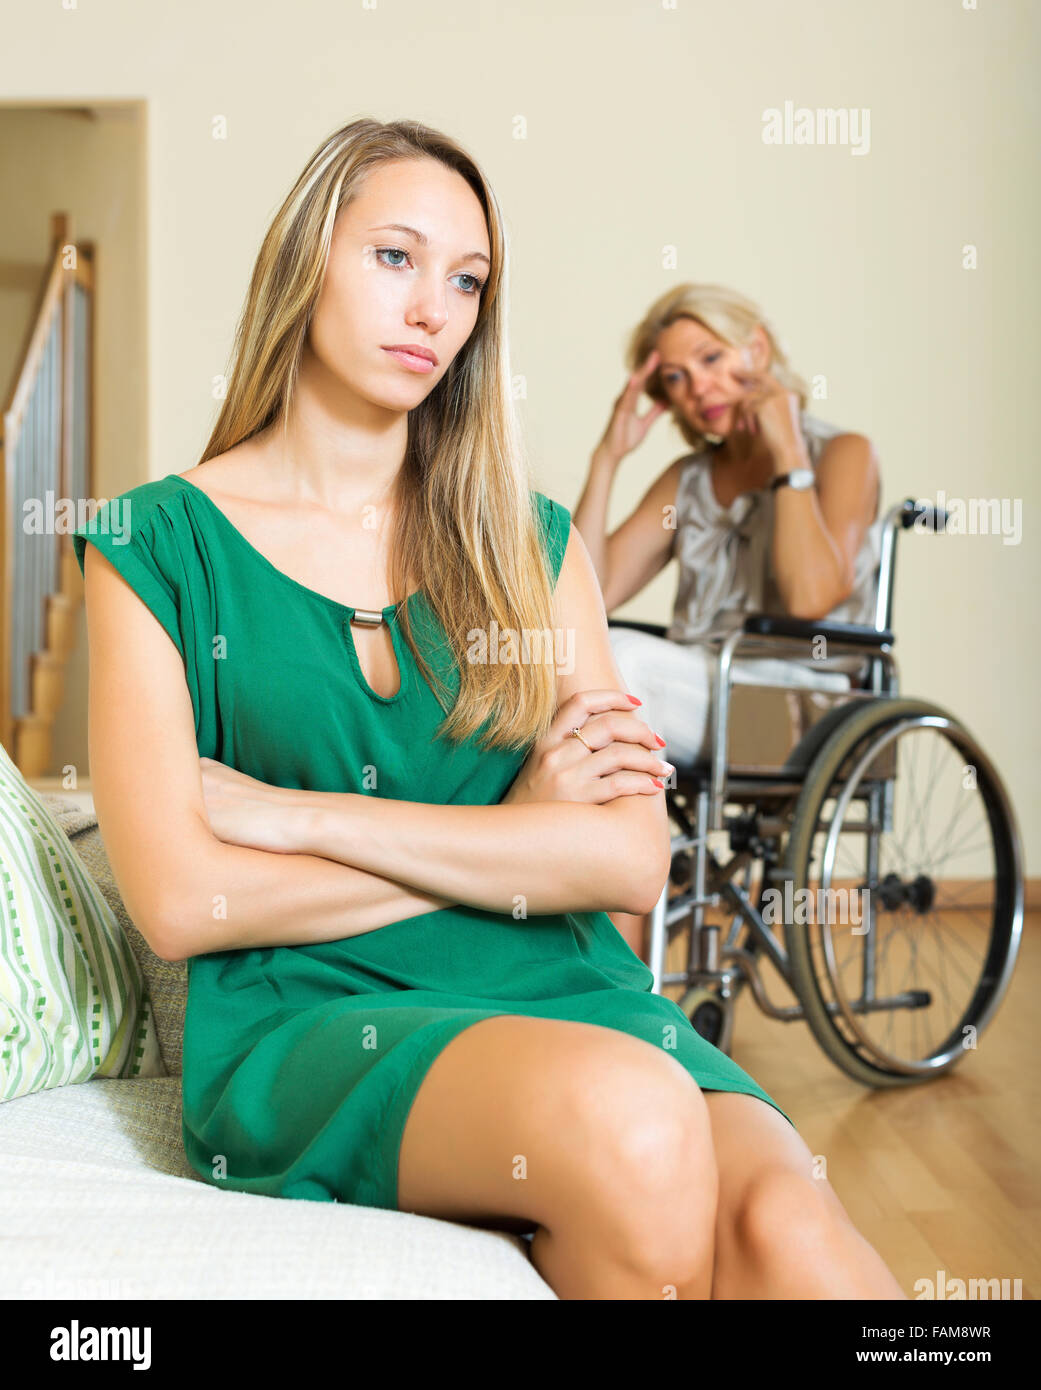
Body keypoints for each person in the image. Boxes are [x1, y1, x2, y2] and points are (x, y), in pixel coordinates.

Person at [72, 119, 903, 1300]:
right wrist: (518, 836)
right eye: (396, 258)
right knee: (636, 1117)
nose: (434, 310)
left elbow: (626, 859)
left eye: (467, 281)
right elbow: (178, 900)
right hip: (319, 1009)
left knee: (798, 1237)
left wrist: (301, 818)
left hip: (562, 982)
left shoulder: (528, 541)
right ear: (307, 257)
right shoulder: (151, 543)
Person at [573, 285, 882, 964]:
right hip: (703, 696)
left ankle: (614, 962)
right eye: (675, 378)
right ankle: (605, 925)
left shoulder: (841, 455)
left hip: (800, 706)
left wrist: (786, 453)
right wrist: (608, 457)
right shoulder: (688, 481)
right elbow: (583, 595)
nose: (696, 388)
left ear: (757, 350)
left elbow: (808, 597)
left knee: (619, 670)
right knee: (587, 661)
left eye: (710, 359)